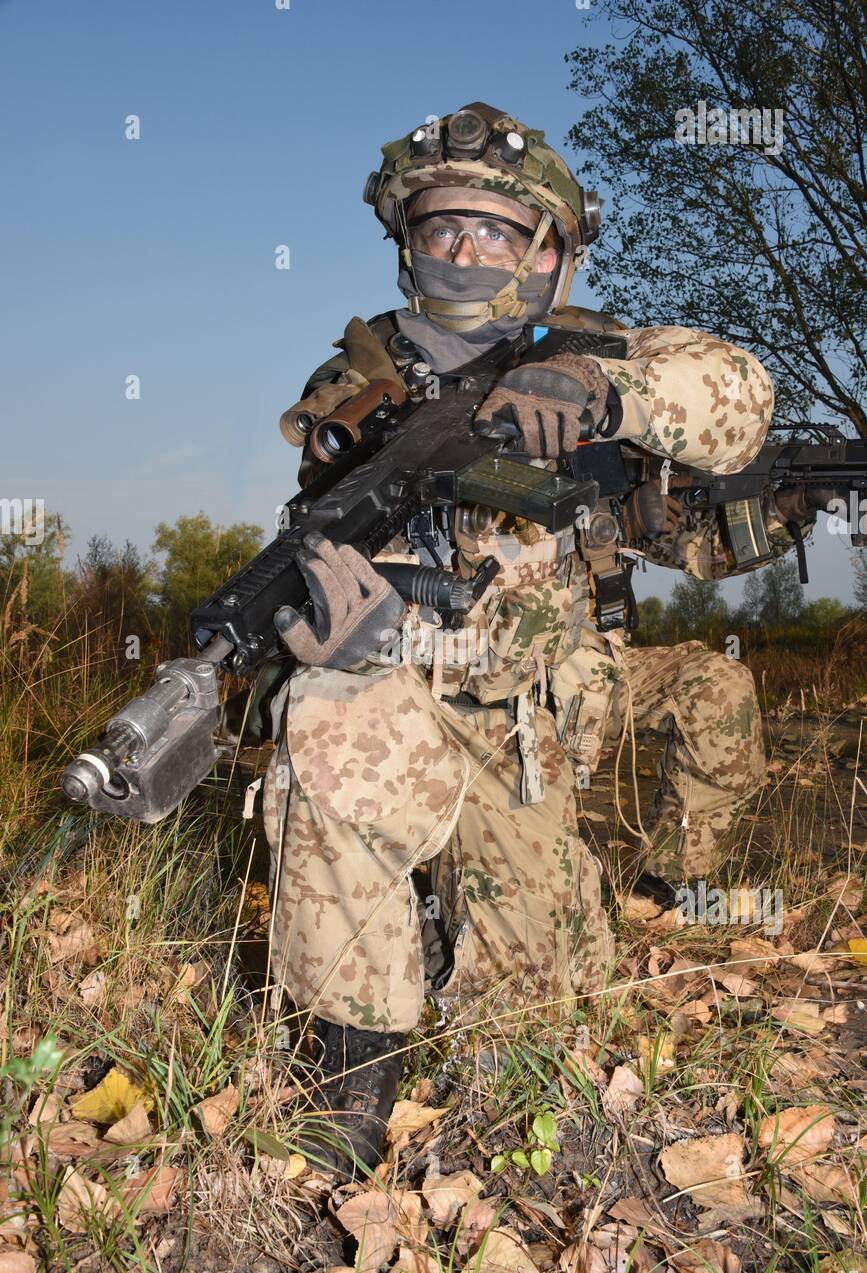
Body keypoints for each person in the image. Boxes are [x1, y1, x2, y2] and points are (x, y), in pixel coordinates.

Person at [261, 102, 812, 1182]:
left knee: (534, 1046)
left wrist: (606, 390)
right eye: (442, 230)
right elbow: (318, 557)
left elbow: (739, 394)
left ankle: (463, 921)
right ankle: (350, 1075)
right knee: (332, 711)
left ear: (549, 249)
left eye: (496, 233)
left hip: (534, 734)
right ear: (409, 243)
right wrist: (345, 632)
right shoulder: (358, 394)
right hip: (408, 702)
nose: (464, 254)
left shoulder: (592, 350)